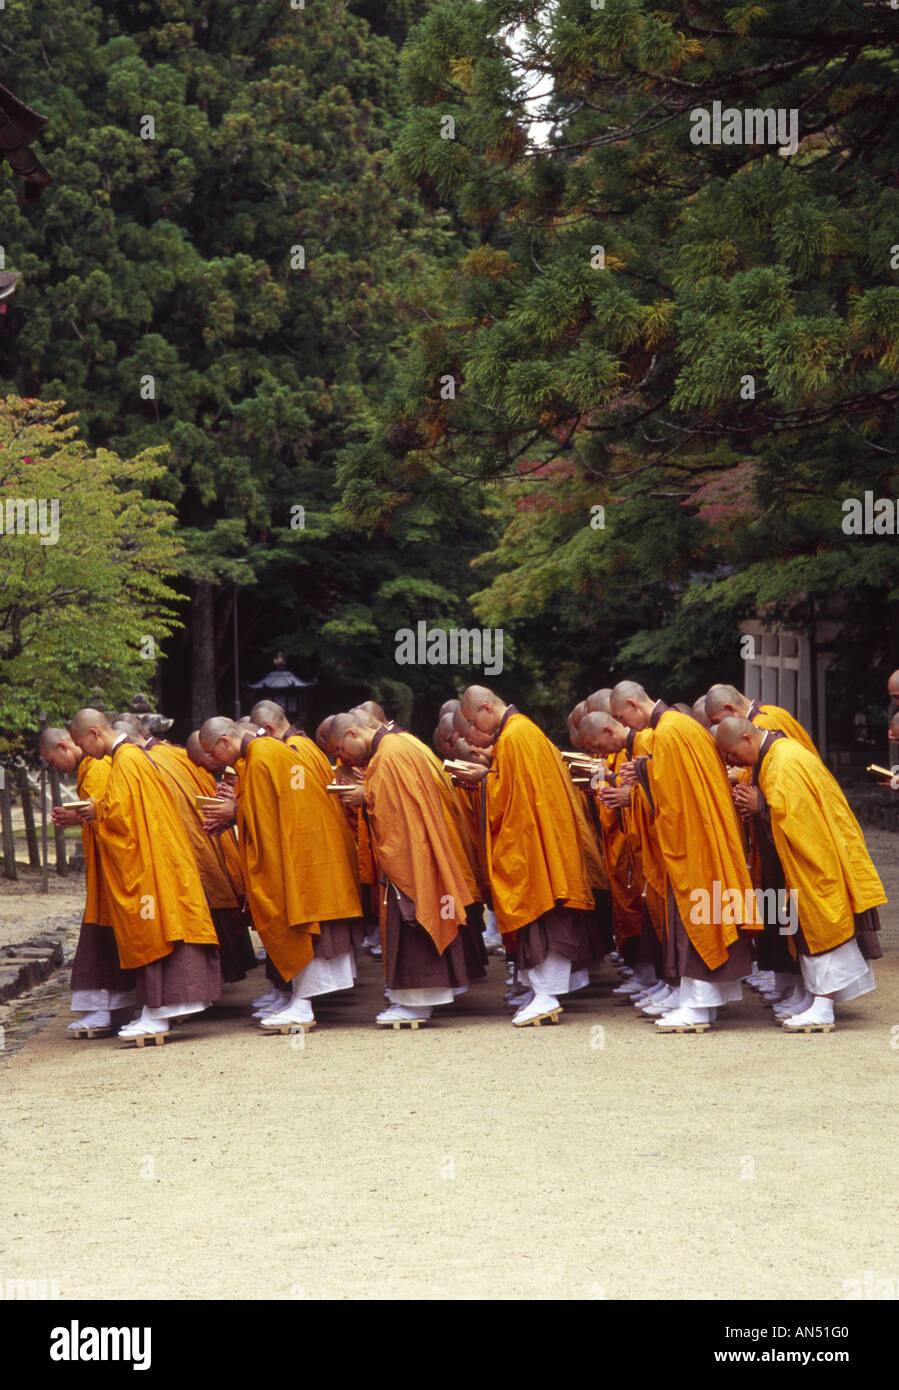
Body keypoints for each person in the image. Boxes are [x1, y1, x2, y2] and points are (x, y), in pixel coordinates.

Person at [717, 717, 885, 1032]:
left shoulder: (783, 761)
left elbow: (800, 818)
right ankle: (815, 999)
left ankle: (823, 1006)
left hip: (814, 858)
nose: (730, 761)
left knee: (821, 925)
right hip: (805, 858)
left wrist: (761, 805)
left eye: (730, 752)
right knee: (808, 926)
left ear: (747, 739)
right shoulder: (774, 756)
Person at [199, 717, 363, 1033]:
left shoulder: (262, 755)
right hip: (306, 852)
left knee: (301, 921)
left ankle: (303, 1005)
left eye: (212, 753)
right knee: (302, 920)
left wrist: (232, 814)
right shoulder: (264, 752)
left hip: (297, 857)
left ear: (224, 741)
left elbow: (265, 819)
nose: (214, 763)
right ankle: (298, 1001)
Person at [68, 709, 222, 1045]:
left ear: (95, 733)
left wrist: (97, 812)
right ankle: (154, 1013)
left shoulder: (125, 760)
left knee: (154, 928)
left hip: (151, 864)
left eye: (82, 743)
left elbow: (122, 819)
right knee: (163, 924)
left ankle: (157, 1015)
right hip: (162, 858)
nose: (84, 751)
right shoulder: (134, 757)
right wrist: (100, 810)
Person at [612, 682, 755, 1033]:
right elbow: (681, 781)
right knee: (704, 915)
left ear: (633, 704)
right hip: (701, 835)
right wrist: (648, 769)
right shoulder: (679, 726)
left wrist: (645, 772)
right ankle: (700, 1003)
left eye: (621, 717)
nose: (626, 726)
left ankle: (697, 1007)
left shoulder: (670, 731)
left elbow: (674, 796)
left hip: (691, 840)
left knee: (695, 918)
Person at [456, 686, 599, 1027]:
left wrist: (483, 781)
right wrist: (489, 778)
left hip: (537, 847)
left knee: (544, 917)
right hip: (542, 842)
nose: (475, 732)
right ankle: (542, 994)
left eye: (474, 720)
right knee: (542, 919)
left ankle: (547, 996)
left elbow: (510, 796)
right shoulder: (521, 732)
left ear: (487, 708)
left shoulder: (516, 737)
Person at [330, 713, 482, 1028]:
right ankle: (416, 999)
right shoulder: (399, 744)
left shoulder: (388, 755)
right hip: (422, 846)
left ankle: (417, 1003)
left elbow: (393, 810)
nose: (340, 755)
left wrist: (363, 795)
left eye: (339, 745)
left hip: (410, 854)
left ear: (353, 732)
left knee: (415, 916)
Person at [43, 727, 136, 1037]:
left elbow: (110, 812)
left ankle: (102, 1010)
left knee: (102, 932)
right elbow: (98, 810)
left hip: (110, 862)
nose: (53, 766)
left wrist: (85, 815)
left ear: (64, 746)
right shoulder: (92, 766)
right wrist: (78, 817)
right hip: (102, 861)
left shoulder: (95, 766)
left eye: (51, 759)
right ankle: (107, 1008)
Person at [145, 737, 256, 985]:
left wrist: (237, 808)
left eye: (209, 756)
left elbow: (278, 804)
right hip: (213, 841)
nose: (208, 766)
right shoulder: (168, 758)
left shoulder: (149, 761)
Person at [704, 684, 817, 754]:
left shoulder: (761, 725)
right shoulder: (768, 710)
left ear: (730, 708)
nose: (719, 727)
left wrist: (740, 776)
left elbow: (773, 768)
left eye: (717, 721)